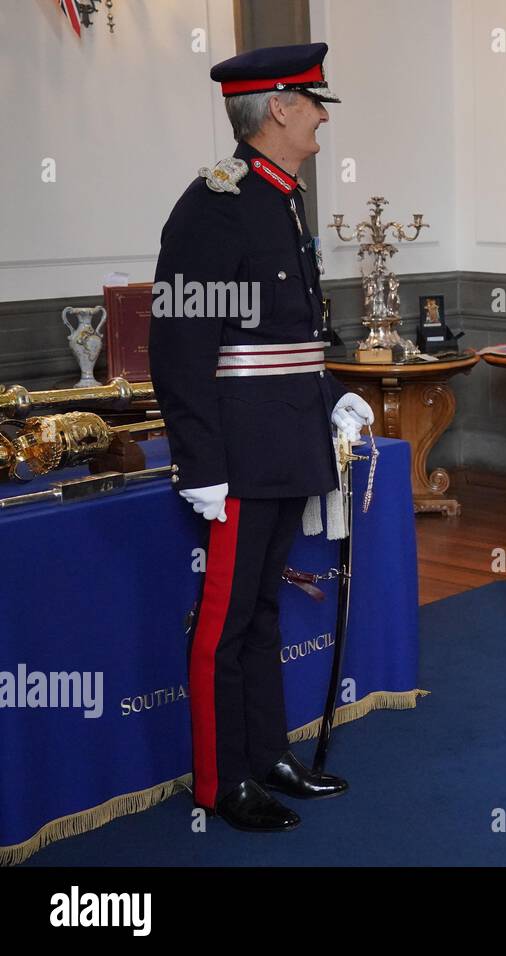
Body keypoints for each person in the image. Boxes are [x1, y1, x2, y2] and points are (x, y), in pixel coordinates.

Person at [149, 42, 375, 831]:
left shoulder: (280, 195)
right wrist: (199, 463)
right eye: (313, 103)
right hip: (239, 454)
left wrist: (335, 397)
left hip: (286, 438)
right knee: (225, 621)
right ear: (278, 107)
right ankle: (219, 781)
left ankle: (268, 753)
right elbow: (181, 345)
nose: (320, 116)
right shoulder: (216, 202)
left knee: (265, 612)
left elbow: (287, 337)